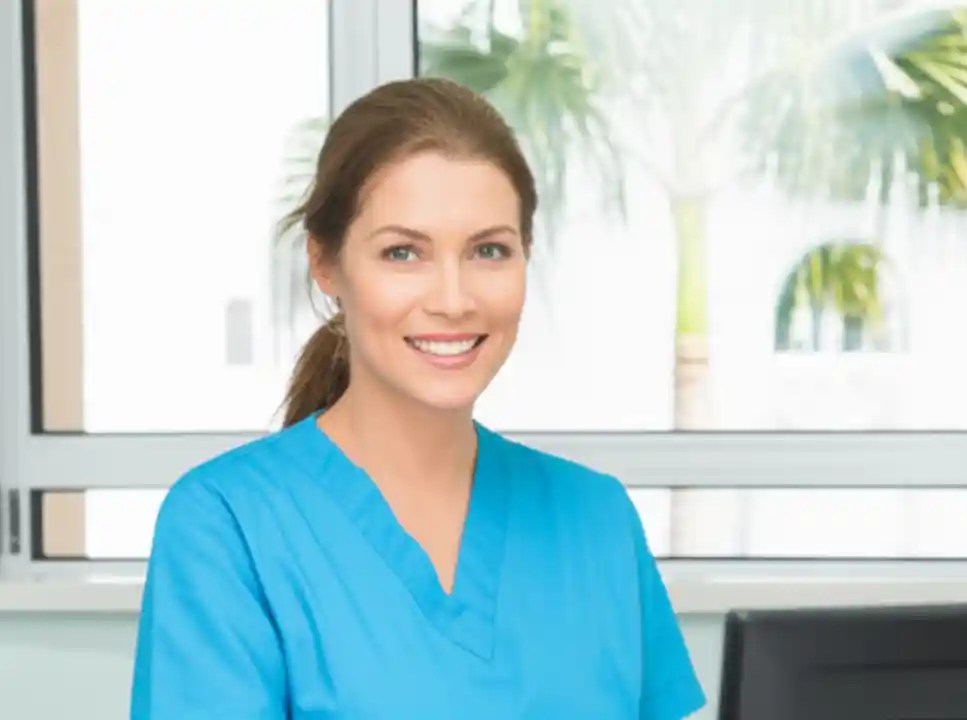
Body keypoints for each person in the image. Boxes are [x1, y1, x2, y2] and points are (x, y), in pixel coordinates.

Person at [129, 77, 705, 719]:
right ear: (326, 264)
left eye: (489, 250)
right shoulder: (227, 526)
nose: (454, 299)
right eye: (403, 253)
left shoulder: (596, 520)